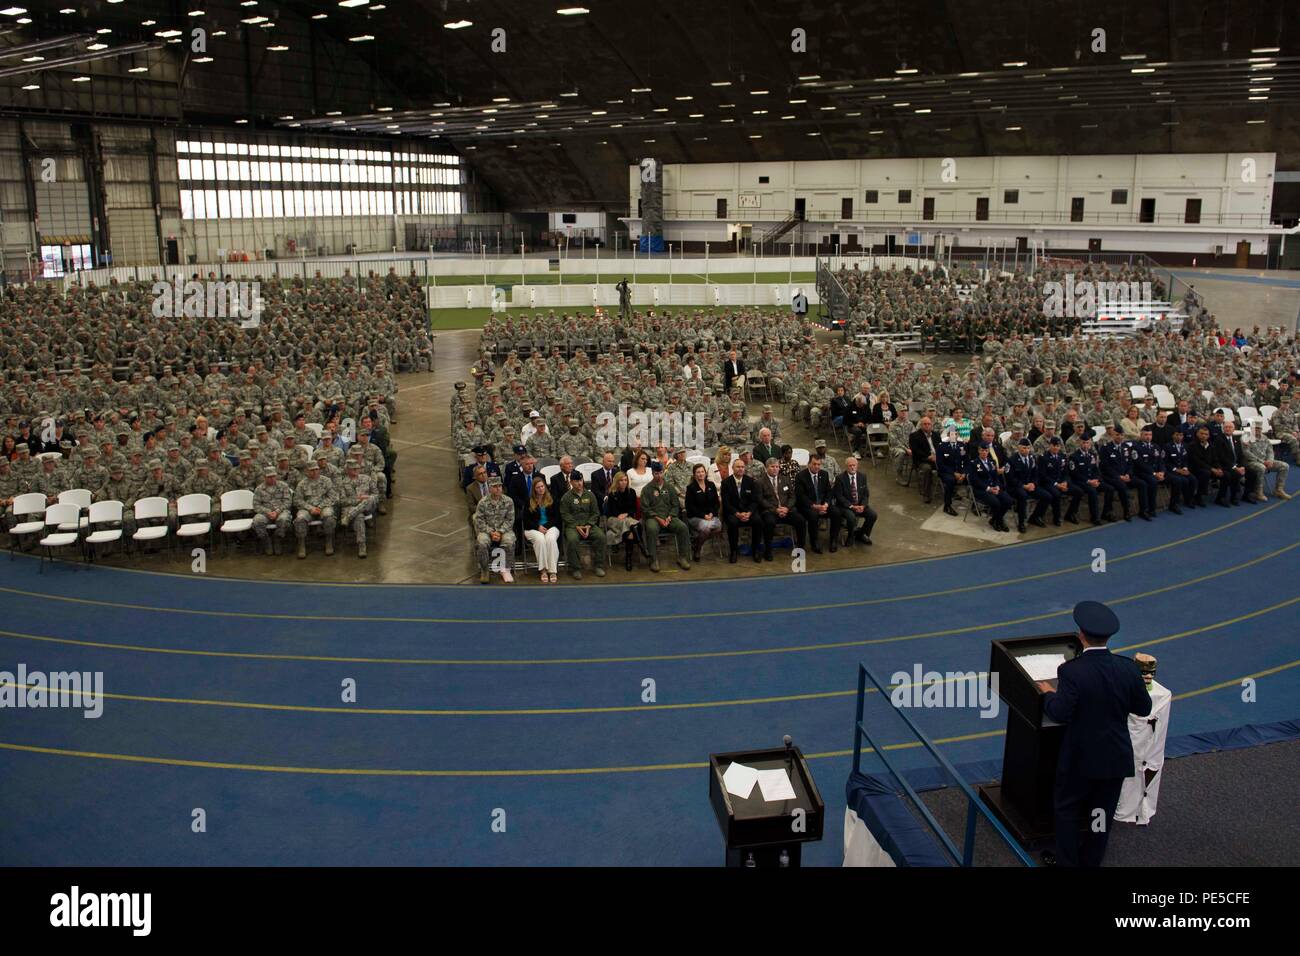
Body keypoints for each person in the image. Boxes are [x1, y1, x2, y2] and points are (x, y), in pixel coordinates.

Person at [1035, 601, 1152, 868]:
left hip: (1080, 759)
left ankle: (1067, 863)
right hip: (1114, 757)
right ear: (1109, 637)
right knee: (1101, 813)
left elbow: (1061, 712)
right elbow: (1143, 707)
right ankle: (1090, 861)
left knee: (1066, 811)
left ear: (1080, 635)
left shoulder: (1071, 671)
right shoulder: (1127, 668)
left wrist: (1048, 695)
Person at [640, 461, 691, 572]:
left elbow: (675, 504)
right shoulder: (647, 489)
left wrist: (670, 517)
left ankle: (682, 557)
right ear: (652, 473)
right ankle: (653, 559)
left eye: (661, 473)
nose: (659, 475)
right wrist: (658, 518)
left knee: (682, 527)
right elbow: (645, 509)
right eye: (656, 473)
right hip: (654, 518)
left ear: (664, 472)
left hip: (669, 517)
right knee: (651, 528)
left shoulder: (670, 487)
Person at [755, 456, 805, 558]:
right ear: (766, 468)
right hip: (770, 511)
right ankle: (768, 550)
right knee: (769, 523)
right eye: (772, 466)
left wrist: (786, 508)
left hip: (787, 510)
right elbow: (760, 500)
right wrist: (775, 510)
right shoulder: (760, 482)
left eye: (777, 467)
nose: (775, 469)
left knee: (800, 520)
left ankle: (800, 548)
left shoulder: (785, 479)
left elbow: (792, 496)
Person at [559, 472, 607, 579]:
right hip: (573, 526)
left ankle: (599, 566)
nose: (579, 483)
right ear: (571, 482)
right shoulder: (566, 497)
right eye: (576, 481)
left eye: (580, 481)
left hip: (589, 525)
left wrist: (589, 525)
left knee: (601, 536)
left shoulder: (590, 495)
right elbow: (565, 515)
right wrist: (577, 526)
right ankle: (575, 568)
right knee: (572, 540)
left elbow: (595, 513)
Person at [473, 476, 516, 584]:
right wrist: (491, 532)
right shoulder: (483, 502)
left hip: (504, 530)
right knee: (482, 542)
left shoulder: (508, 501)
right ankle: (484, 570)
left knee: (509, 541)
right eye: (495, 486)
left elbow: (510, 520)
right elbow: (479, 520)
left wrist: (500, 531)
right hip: (487, 531)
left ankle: (506, 569)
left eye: (500, 486)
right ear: (490, 488)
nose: (498, 488)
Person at [795, 453, 839, 553]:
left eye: (819, 464)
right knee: (813, 516)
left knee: (836, 512)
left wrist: (826, 504)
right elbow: (801, 496)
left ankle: (833, 540)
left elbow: (829, 491)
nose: (816, 466)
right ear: (809, 464)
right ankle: (814, 542)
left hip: (823, 504)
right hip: (808, 506)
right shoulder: (800, 476)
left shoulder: (824, 474)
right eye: (814, 464)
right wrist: (815, 506)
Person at [721, 457, 761, 563]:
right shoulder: (726, 483)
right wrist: (737, 514)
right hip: (733, 512)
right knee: (732, 523)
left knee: (758, 521)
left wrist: (749, 513)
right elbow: (726, 503)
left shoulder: (751, 481)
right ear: (733, 468)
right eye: (738, 467)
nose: (740, 469)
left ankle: (755, 549)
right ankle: (733, 551)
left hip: (748, 512)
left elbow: (755, 501)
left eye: (742, 467)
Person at [966, 442, 1013, 532]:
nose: (984, 452)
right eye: (982, 450)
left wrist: (997, 486)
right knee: (996, 503)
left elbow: (996, 476)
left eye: (986, 451)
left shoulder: (992, 461)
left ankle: (994, 520)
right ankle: (999, 522)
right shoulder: (974, 463)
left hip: (994, 487)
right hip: (981, 490)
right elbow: (975, 480)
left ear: (988, 452)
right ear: (979, 451)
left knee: (1008, 501)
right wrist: (988, 489)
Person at [522, 476, 561, 583]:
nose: (541, 489)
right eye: (538, 487)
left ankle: (552, 570)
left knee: (550, 539)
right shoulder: (528, 501)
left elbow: (557, 518)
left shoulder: (552, 498)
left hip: (551, 526)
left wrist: (546, 527)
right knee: (540, 540)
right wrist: (537, 527)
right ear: (534, 489)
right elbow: (525, 520)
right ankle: (543, 570)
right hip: (532, 528)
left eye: (542, 486)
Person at [1007, 438, 1050, 531]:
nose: (1026, 450)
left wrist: (1033, 483)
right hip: (1017, 487)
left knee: (1047, 496)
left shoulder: (1032, 458)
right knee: (1023, 496)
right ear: (1018, 448)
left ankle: (1035, 517)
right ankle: (1021, 523)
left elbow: (1036, 474)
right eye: (1023, 448)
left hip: (1030, 485)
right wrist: (1023, 486)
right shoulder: (1012, 460)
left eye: (1027, 448)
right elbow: (1010, 478)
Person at [833, 455, 876, 546]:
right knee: (851, 517)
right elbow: (839, 496)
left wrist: (863, 506)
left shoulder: (862, 476)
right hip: (846, 506)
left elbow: (865, 494)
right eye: (850, 465)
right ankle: (850, 536)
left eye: (854, 465)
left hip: (860, 504)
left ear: (857, 465)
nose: (852, 467)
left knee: (872, 515)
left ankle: (862, 534)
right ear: (846, 466)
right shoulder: (840, 478)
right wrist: (852, 506)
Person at [602, 470, 641, 570]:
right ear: (617, 482)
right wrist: (622, 515)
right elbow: (612, 511)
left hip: (626, 519)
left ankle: (628, 560)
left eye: (625, 480)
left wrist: (626, 514)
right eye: (621, 480)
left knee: (629, 534)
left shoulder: (631, 492)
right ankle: (641, 546)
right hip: (613, 519)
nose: (624, 482)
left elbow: (633, 508)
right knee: (632, 524)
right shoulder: (612, 494)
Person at [1243, 422, 1291, 501]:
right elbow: (1247, 454)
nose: (1257, 430)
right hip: (1251, 462)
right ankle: (1258, 492)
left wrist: (1270, 460)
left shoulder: (1264, 438)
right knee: (1261, 468)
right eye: (1255, 428)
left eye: (1259, 428)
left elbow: (1270, 451)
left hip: (1266, 461)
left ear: (1261, 429)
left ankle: (1279, 489)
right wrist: (1262, 462)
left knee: (1284, 466)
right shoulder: (1246, 438)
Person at [684, 463, 722, 561]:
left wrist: (712, 513)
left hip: (711, 515)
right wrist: (703, 516)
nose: (700, 474)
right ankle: (698, 549)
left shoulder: (711, 485)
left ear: (705, 473)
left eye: (702, 471)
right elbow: (689, 507)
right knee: (706, 528)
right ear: (694, 474)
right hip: (695, 517)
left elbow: (716, 503)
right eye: (698, 472)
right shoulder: (691, 488)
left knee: (718, 527)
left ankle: (697, 542)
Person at [252, 467, 293, 555]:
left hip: (281, 510)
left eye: (273, 476)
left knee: (283, 519)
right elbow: (256, 505)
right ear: (264, 477)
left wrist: (277, 511)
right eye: (269, 477)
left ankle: (277, 540)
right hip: (265, 512)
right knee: (257, 521)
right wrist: (267, 512)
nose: (272, 478)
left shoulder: (283, 486)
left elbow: (288, 501)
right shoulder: (259, 489)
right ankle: (266, 541)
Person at [909, 416, 939, 503]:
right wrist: (928, 457)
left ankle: (952, 490)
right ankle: (926, 494)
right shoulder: (914, 436)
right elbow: (915, 451)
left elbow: (941, 447)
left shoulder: (936, 435)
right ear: (921, 425)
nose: (927, 426)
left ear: (931, 425)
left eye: (929, 424)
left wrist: (939, 456)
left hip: (937, 458)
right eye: (925, 424)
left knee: (951, 463)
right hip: (922, 460)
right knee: (927, 469)